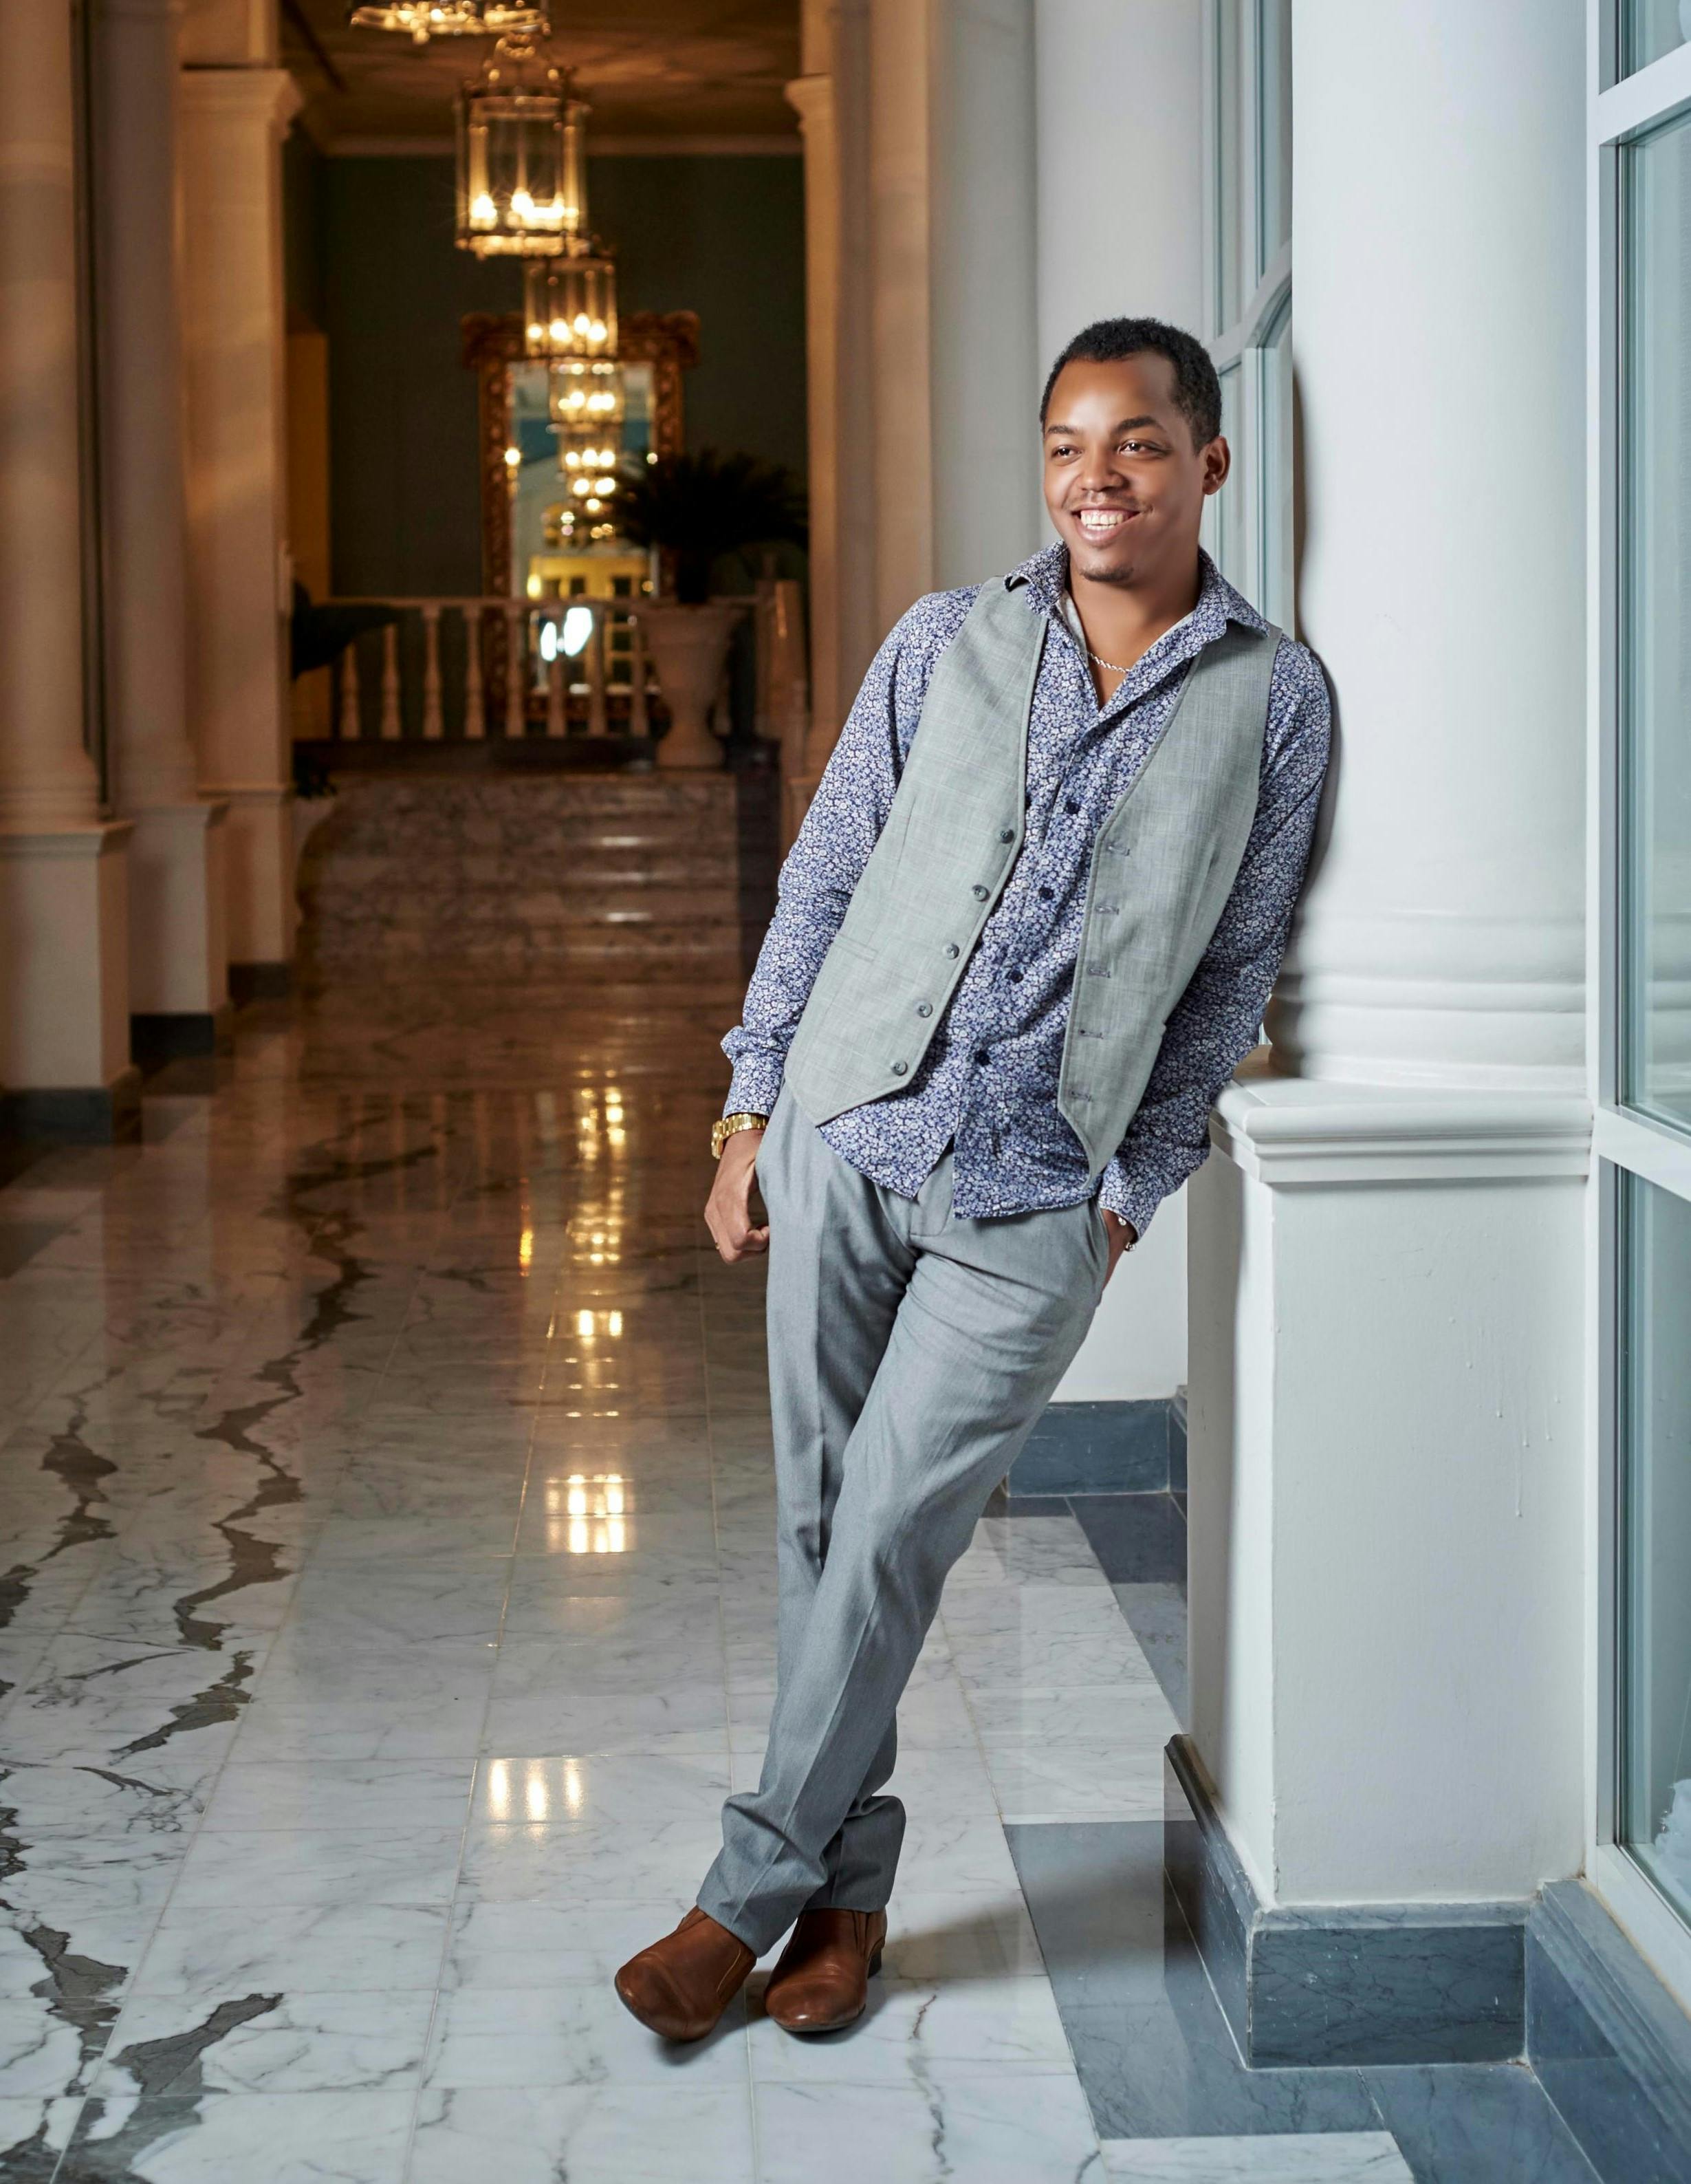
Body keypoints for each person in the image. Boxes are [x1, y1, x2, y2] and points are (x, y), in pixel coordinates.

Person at [614, 316, 1331, 2042]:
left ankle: (740, 1897)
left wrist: (1127, 1187)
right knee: (812, 1526)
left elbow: (1234, 973)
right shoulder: (946, 641)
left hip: (1034, 1195)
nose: (1101, 476)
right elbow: (828, 873)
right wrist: (747, 1109)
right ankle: (845, 1910)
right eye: (1071, 444)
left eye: (1140, 443)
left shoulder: (1274, 698)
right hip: (852, 1132)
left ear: (1208, 464)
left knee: (889, 1535)